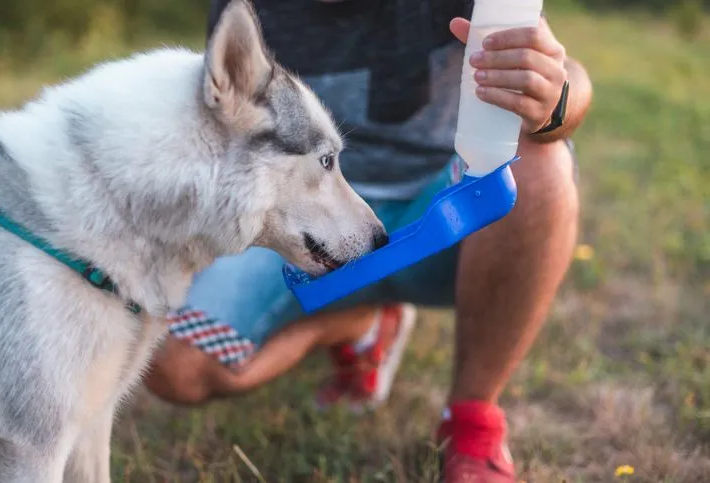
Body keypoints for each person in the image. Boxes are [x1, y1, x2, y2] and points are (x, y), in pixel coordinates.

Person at [144, 1, 593, 481]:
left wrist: (556, 96)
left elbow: (567, 73)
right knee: (172, 364)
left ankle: (472, 417)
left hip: (446, 206)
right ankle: (356, 326)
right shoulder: (250, 8)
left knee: (540, 166)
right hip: (311, 222)